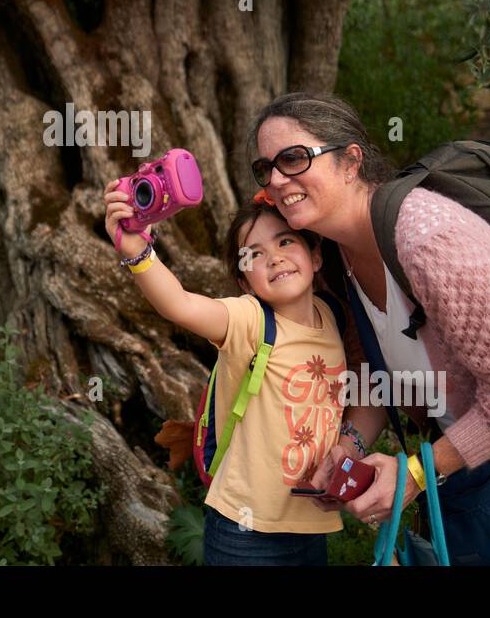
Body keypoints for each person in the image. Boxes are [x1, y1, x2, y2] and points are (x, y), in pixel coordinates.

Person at [250, 93, 490, 565]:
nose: (276, 181)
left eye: (293, 159)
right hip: (489, 465)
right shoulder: (336, 256)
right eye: (265, 168)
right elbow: (379, 376)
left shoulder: (430, 243)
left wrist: (416, 473)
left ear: (350, 160)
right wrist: (348, 448)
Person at [104, 187, 348, 565]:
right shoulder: (249, 320)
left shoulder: (332, 314)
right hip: (243, 532)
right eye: (255, 254)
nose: (275, 258)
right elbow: (179, 305)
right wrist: (136, 251)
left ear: (315, 255)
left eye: (286, 241)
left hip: (309, 524)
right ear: (245, 284)